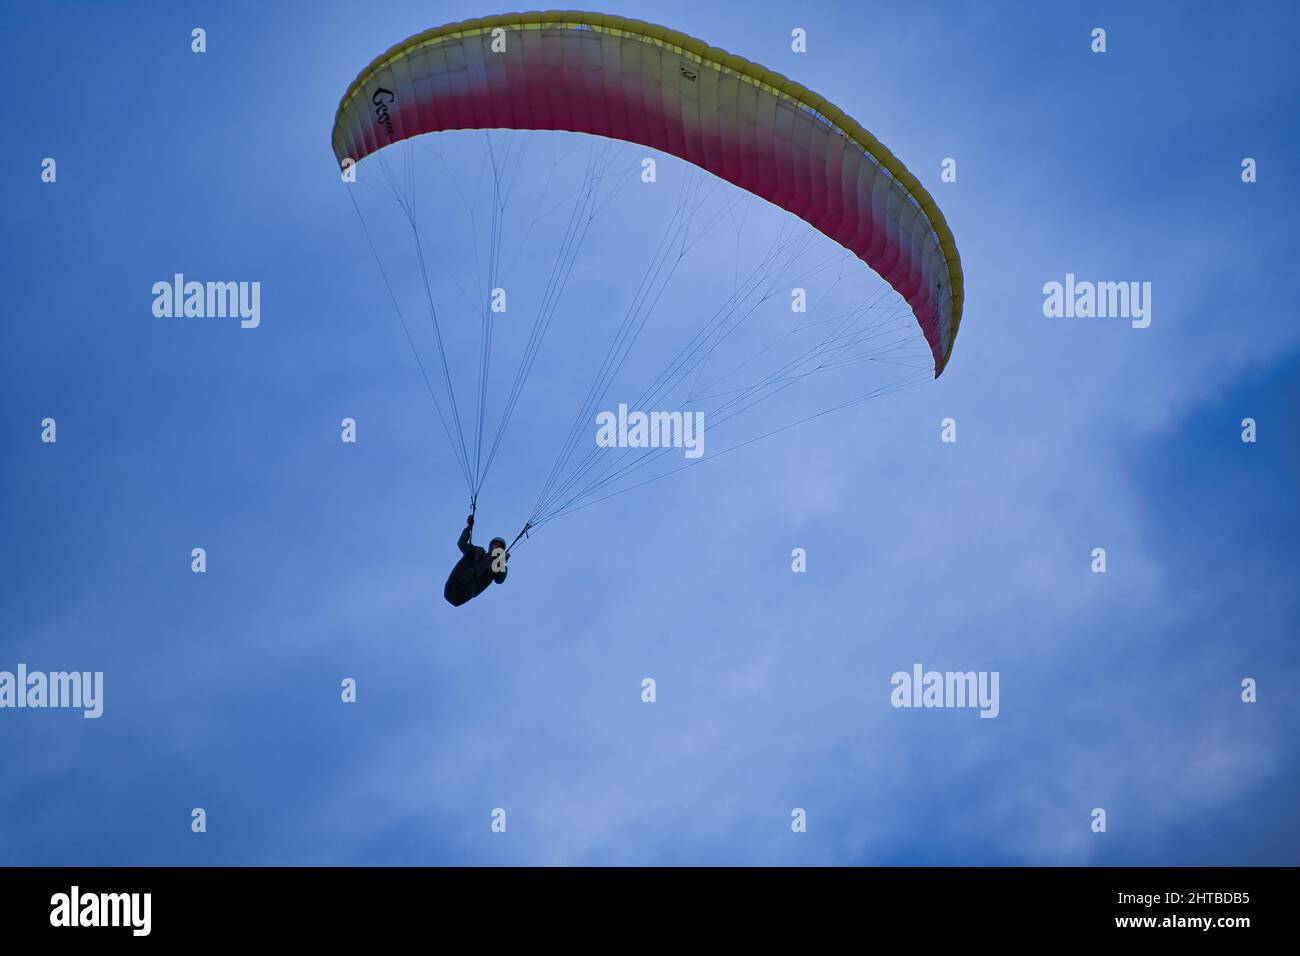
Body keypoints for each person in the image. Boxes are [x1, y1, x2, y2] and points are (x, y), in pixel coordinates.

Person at [443, 514, 508, 607]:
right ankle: (465, 576)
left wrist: (501, 561)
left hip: (465, 592)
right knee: (475, 551)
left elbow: (499, 579)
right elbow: (462, 543)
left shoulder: (498, 565)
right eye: (495, 544)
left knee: (492, 565)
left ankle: (469, 578)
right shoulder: (478, 552)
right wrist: (469, 527)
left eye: (500, 547)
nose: (497, 547)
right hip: (453, 585)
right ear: (490, 546)